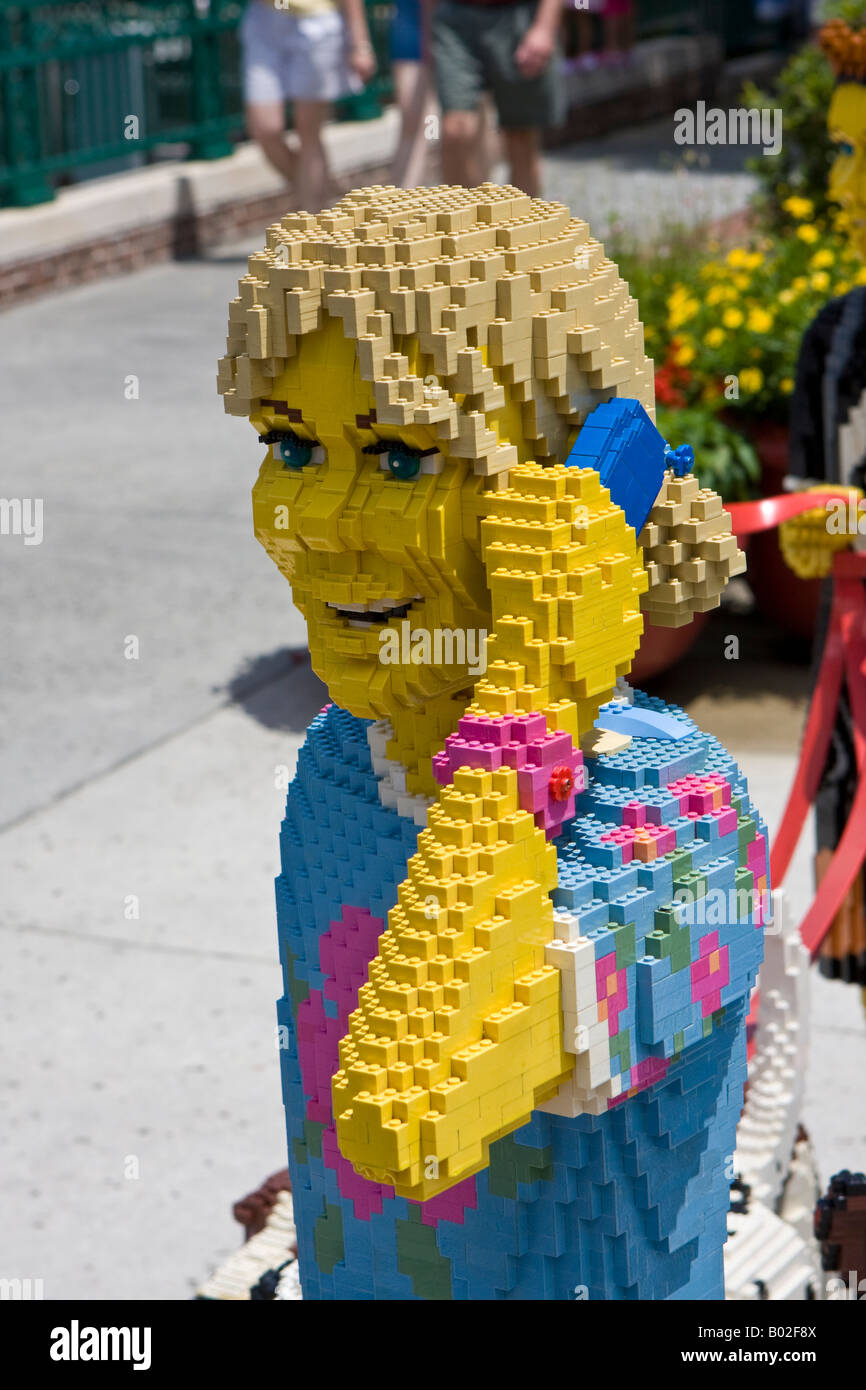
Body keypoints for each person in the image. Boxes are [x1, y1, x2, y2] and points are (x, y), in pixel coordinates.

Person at [219, 182, 762, 1300]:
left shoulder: (672, 811)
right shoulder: (337, 767)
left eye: (404, 456)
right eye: (290, 445)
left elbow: (406, 1105)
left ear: (573, 497)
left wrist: (536, 683)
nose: (315, 521)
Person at [784, 18, 866, 990]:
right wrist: (814, 525)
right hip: (849, 697)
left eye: (862, 158)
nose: (840, 188)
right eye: (839, 154)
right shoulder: (832, 337)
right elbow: (803, 504)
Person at [240, 0, 377, 211]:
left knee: (308, 133)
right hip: (264, 17)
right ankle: (316, 195)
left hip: (316, 21)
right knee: (265, 129)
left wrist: (360, 43)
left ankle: (312, 220)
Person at [431, 0, 565, 196]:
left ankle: (523, 223)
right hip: (455, 16)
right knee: (455, 130)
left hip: (517, 15)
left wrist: (544, 27)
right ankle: (465, 221)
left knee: (520, 137)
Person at [390, 0, 433, 188]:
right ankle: (402, 201)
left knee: (468, 121)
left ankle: (481, 196)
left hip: (460, 15)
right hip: (411, 18)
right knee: (413, 119)